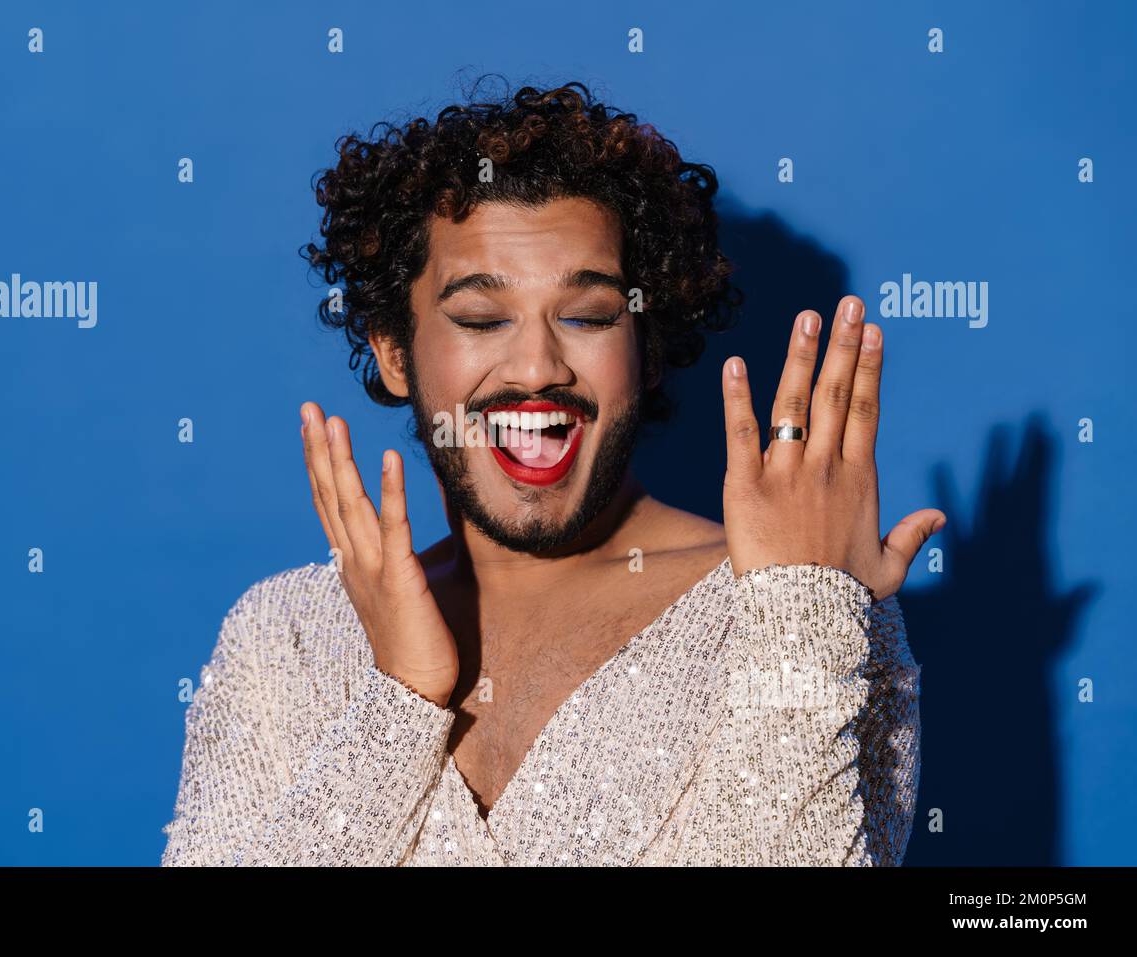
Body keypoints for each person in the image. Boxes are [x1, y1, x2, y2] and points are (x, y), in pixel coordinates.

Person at [160, 79, 941, 866]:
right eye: (479, 317)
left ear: (648, 347)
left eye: (589, 315)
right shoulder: (283, 638)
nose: (537, 365)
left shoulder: (796, 608)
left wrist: (804, 608)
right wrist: (399, 700)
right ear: (395, 351)